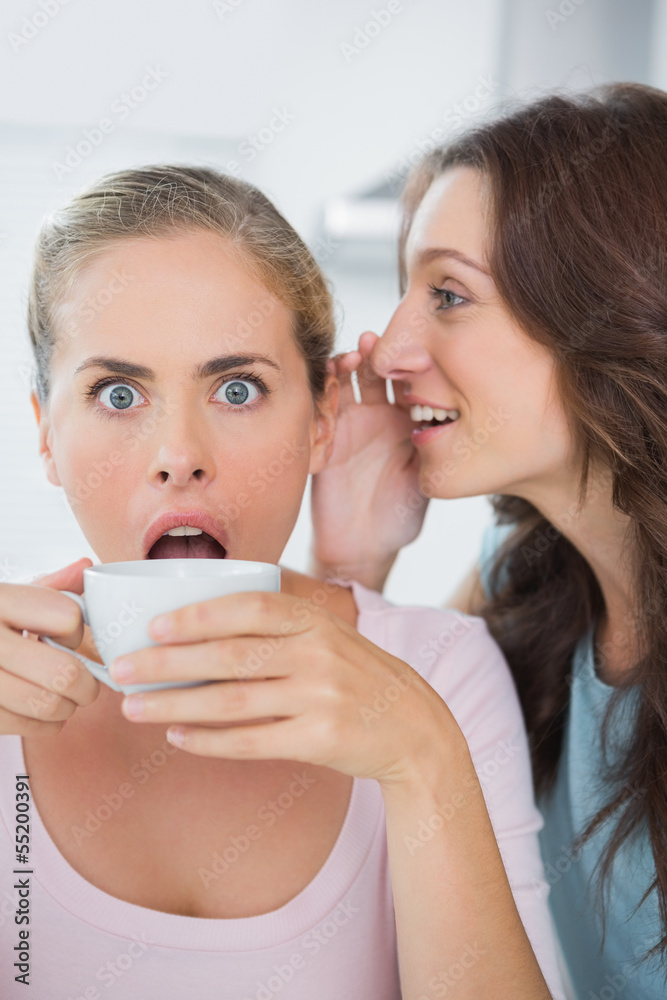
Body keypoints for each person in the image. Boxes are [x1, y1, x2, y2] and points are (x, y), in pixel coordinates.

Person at [0, 165, 564, 999]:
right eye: (118, 393)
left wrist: (418, 755)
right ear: (47, 434)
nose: (177, 455)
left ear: (322, 418)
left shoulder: (437, 668)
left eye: (237, 388)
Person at [310, 82, 667, 999]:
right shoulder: (522, 586)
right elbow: (366, 841)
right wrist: (353, 568)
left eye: (448, 294)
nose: (387, 349)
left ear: (608, 307)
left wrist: (421, 754)